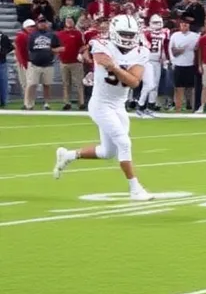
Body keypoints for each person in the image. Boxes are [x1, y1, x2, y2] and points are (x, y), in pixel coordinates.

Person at [53, 15, 153, 201]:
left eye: (131, 34)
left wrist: (114, 67)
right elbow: (97, 56)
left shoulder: (141, 51)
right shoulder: (100, 45)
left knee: (108, 152)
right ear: (115, 31)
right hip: (100, 104)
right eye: (124, 33)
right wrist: (113, 68)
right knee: (124, 142)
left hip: (118, 105)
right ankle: (135, 189)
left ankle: (68, 155)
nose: (128, 38)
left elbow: (133, 82)